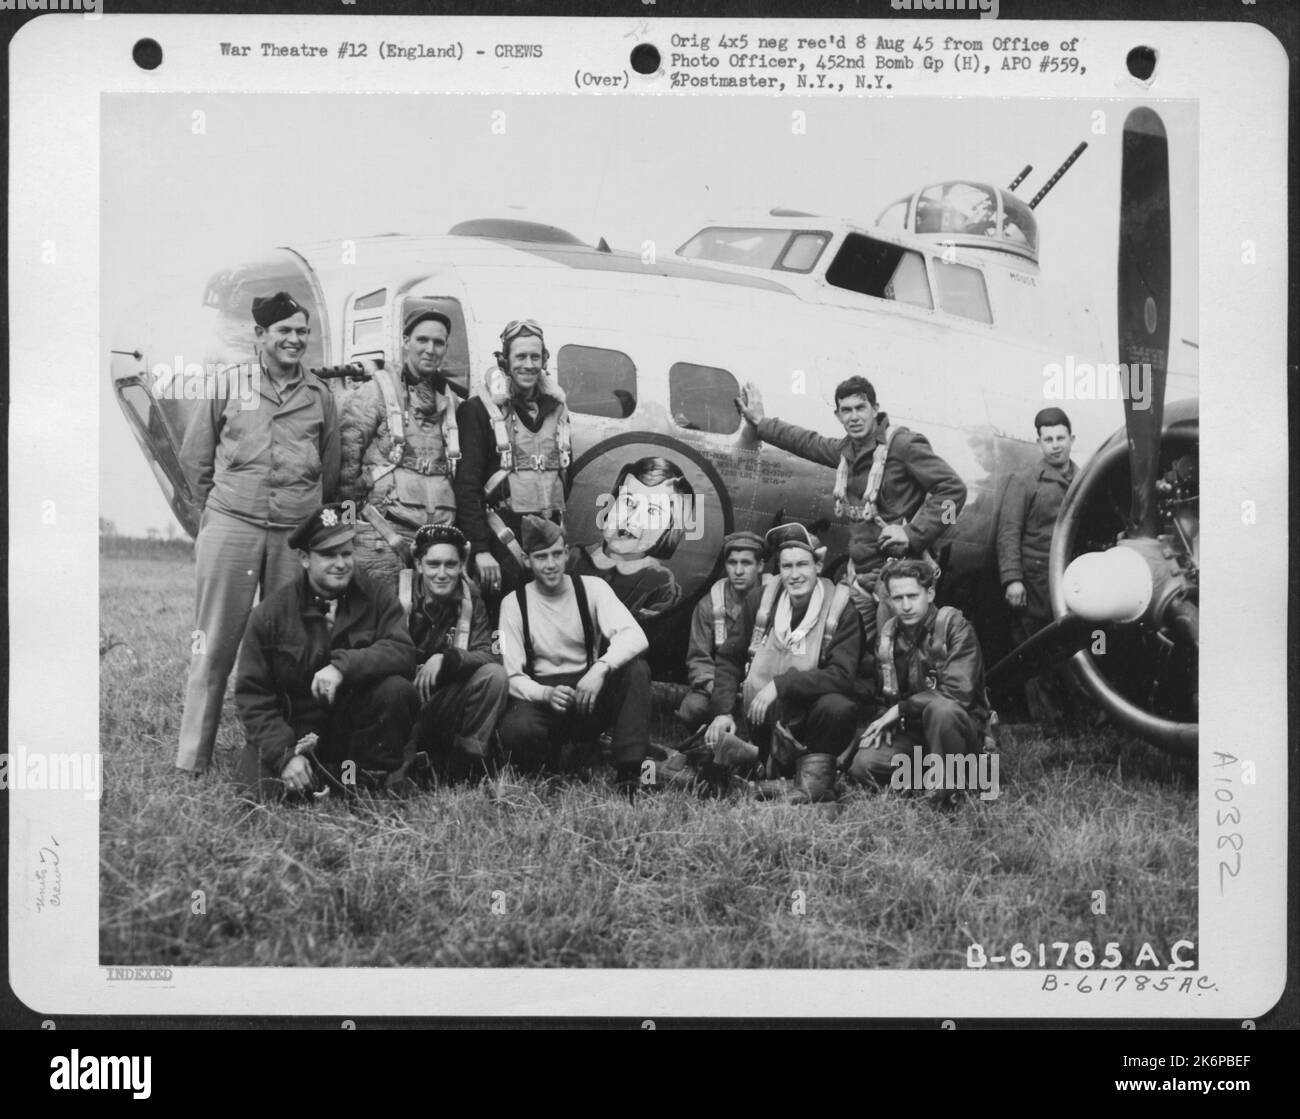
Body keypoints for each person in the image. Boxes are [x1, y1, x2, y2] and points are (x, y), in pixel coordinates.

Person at [176, 291, 340, 775]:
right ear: (260, 335)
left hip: (294, 535)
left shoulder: (320, 397)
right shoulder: (229, 384)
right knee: (213, 644)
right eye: (284, 330)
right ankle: (192, 759)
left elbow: (328, 473)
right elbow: (194, 459)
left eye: (301, 331)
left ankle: (284, 755)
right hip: (233, 525)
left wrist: (303, 518)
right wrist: (220, 513)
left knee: (293, 648)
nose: (294, 339)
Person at [735, 374, 966, 683]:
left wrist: (914, 534)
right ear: (838, 415)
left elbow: (954, 491)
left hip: (897, 575)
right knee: (837, 643)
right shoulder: (847, 452)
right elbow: (807, 442)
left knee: (904, 657)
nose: (854, 417)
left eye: (861, 408)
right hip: (859, 577)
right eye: (846, 410)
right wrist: (762, 423)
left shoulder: (904, 445)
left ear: (875, 409)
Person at [234, 504, 418, 802]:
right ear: (305, 559)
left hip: (354, 731)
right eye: (329, 555)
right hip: (296, 732)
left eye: (346, 553)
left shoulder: (377, 596)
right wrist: (285, 756)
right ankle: (317, 775)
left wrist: (343, 666)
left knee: (396, 690)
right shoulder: (271, 614)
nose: (341, 564)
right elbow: (252, 696)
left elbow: (403, 652)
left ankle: (365, 780)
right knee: (260, 796)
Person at [704, 523, 861, 804]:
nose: (794, 574)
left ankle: (809, 776)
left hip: (808, 713)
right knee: (712, 746)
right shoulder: (762, 599)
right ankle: (762, 761)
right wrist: (723, 711)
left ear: (818, 565)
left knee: (839, 707)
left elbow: (842, 675)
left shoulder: (841, 608)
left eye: (802, 564)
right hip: (762, 713)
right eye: (786, 566)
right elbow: (730, 657)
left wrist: (782, 684)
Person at [496, 515, 652, 796]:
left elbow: (635, 635)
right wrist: (544, 694)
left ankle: (630, 772)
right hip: (543, 697)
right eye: (541, 557)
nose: (551, 564)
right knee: (516, 730)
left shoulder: (592, 588)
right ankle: (547, 767)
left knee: (636, 670)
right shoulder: (513, 604)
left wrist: (600, 669)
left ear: (567, 554)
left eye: (557, 554)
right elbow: (511, 675)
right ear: (528, 560)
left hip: (587, 694)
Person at [338, 307, 463, 590]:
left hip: (436, 544)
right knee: (376, 625)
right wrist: (347, 531)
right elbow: (344, 472)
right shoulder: (374, 393)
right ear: (406, 341)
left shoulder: (452, 404)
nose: (430, 349)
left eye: (439, 342)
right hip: (380, 538)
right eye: (422, 340)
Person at [846, 558, 990, 797]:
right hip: (914, 731)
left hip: (958, 729)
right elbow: (885, 696)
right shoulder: (888, 635)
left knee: (941, 711)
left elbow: (957, 693)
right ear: (888, 600)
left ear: (930, 593)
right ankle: (937, 779)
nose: (906, 606)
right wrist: (886, 716)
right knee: (864, 766)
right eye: (897, 598)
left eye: (913, 596)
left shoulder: (955, 626)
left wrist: (902, 708)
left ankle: (950, 790)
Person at [454, 319, 570, 602]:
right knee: (501, 621)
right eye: (520, 356)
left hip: (547, 540)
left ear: (544, 360)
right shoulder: (479, 411)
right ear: (505, 361)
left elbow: (566, 473)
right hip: (501, 541)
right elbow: (466, 486)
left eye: (535, 357)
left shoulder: (558, 411)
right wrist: (480, 549)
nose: (529, 365)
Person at [402, 523, 508, 784]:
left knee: (495, 676)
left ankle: (465, 766)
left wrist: (448, 659)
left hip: (443, 699)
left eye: (450, 565)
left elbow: (491, 654)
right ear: (418, 564)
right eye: (433, 564)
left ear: (462, 565)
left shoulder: (472, 598)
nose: (441, 573)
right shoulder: (397, 595)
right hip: (401, 698)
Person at [995, 407, 1077, 725]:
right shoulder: (1026, 481)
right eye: (1048, 439)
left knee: (1068, 651)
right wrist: (1012, 580)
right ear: (1039, 443)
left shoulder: (1081, 478)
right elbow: (1008, 532)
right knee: (1034, 652)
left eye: (1060, 438)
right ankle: (1048, 725)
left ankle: (1078, 722)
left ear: (1072, 439)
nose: (1055, 445)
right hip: (1034, 582)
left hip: (1070, 580)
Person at [568, 456, 692, 620]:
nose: (632, 520)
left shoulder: (660, 583)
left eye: (652, 511)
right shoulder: (571, 558)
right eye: (628, 502)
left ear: (669, 528)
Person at [676, 530, 766, 731]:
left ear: (760, 566)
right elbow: (699, 660)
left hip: (761, 687)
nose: (738, 571)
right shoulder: (709, 606)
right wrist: (723, 695)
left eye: (746, 563)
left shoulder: (775, 601)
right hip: (719, 686)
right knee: (693, 708)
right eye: (732, 563)